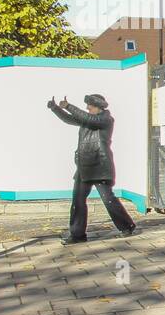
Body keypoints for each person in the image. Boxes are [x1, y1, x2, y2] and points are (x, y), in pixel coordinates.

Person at [47, 93, 137, 244]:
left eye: (90, 105)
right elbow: (69, 119)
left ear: (98, 106)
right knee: (78, 201)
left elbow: (89, 119)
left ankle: (127, 226)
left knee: (108, 199)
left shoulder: (105, 119)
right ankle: (77, 235)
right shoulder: (88, 119)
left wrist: (69, 106)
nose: (87, 108)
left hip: (99, 165)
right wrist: (55, 108)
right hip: (84, 166)